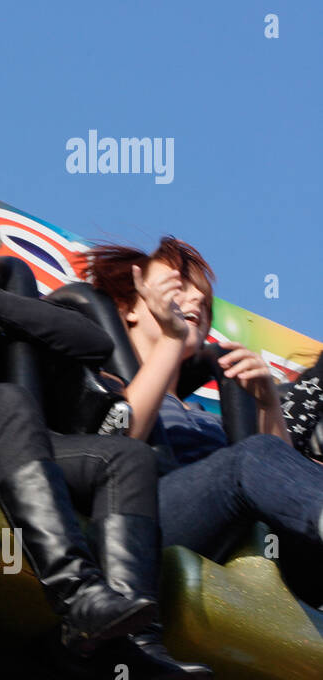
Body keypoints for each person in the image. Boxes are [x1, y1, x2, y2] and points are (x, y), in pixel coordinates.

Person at [0, 189, 208, 680]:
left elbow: (89, 342)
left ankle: (131, 637)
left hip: (3, 440)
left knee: (127, 456)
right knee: (4, 401)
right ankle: (74, 588)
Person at [84, 238, 323, 569]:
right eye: (178, 287)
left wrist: (266, 401)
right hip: (139, 524)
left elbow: (281, 482)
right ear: (130, 306)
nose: (197, 298)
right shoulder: (104, 382)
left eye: (205, 300)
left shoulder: (210, 417)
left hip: (230, 534)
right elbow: (116, 447)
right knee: (248, 459)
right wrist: (172, 337)